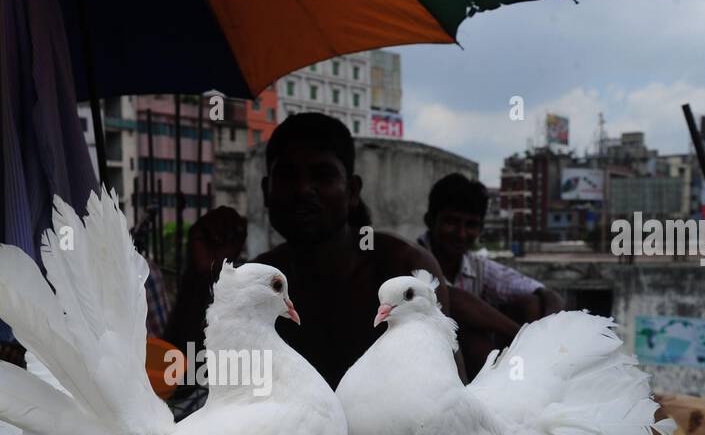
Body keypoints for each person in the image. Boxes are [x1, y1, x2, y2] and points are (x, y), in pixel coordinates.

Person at [168, 113, 519, 390]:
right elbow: (183, 378)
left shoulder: (404, 269)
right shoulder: (261, 280)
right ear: (267, 192)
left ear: (351, 191)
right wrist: (201, 276)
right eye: (288, 176)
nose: (305, 189)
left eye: (322, 175)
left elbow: (450, 401)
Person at [418, 173, 563, 375]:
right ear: (430, 220)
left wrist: (547, 332)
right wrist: (522, 337)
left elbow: (548, 294)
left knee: (532, 304)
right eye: (451, 222)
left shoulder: (476, 266)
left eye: (471, 225)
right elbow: (451, 298)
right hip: (422, 365)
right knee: (472, 339)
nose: (461, 234)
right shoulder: (411, 259)